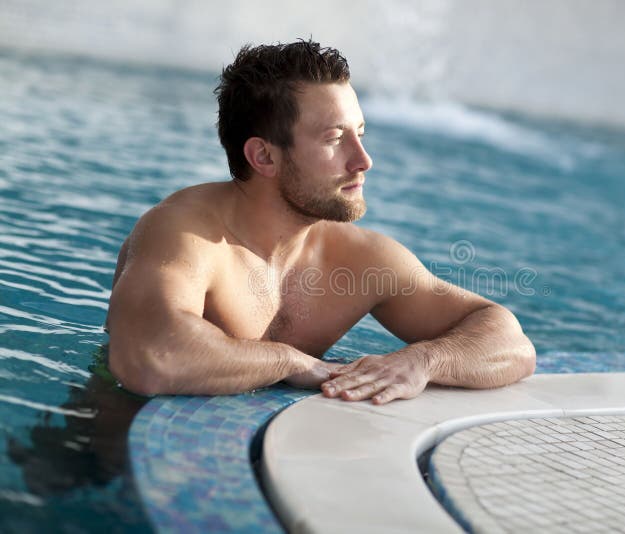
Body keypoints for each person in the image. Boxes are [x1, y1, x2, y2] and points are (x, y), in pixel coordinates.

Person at [106, 39, 535, 405]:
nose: (363, 161)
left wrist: (422, 361)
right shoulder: (185, 234)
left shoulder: (360, 258)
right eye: (334, 139)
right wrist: (290, 361)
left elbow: (511, 343)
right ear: (265, 156)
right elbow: (150, 359)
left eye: (360, 135)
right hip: (108, 452)